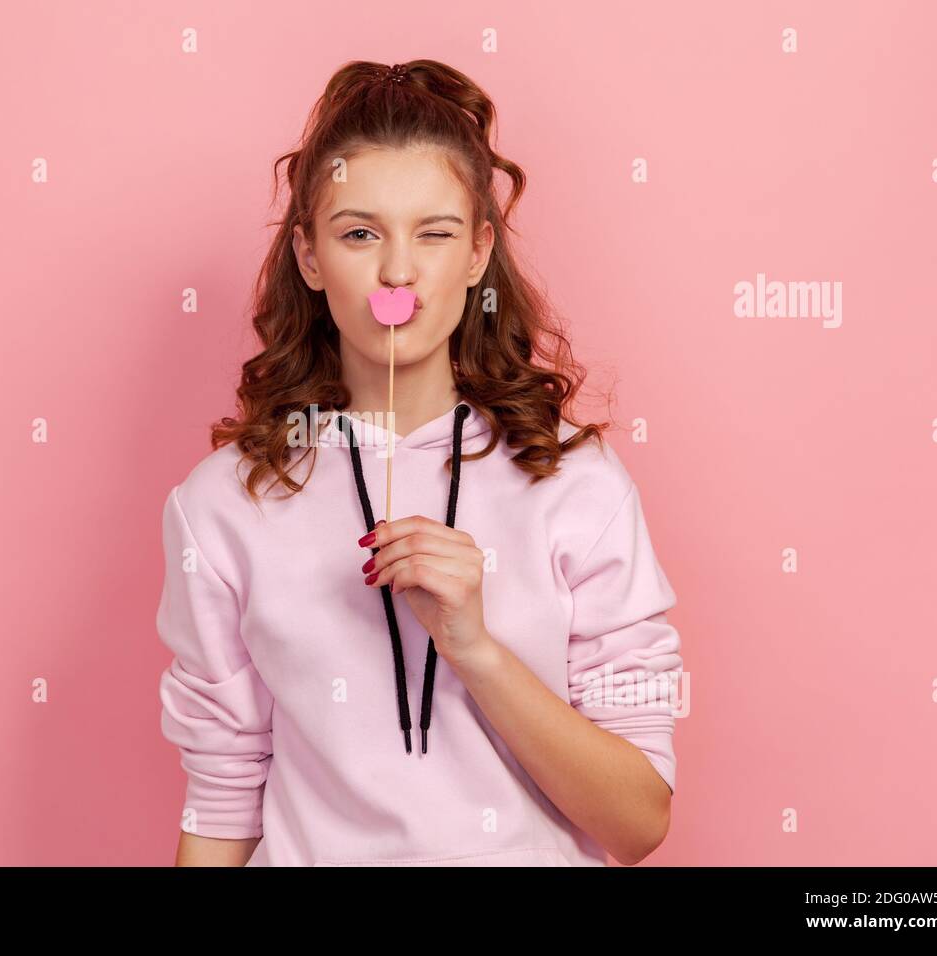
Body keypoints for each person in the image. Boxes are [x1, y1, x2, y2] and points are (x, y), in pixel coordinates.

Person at [156, 59, 683, 867]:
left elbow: (638, 822)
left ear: (476, 255)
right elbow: (223, 796)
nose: (397, 272)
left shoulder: (577, 482)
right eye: (360, 233)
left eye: (433, 233)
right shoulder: (223, 505)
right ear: (307, 256)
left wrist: (474, 645)